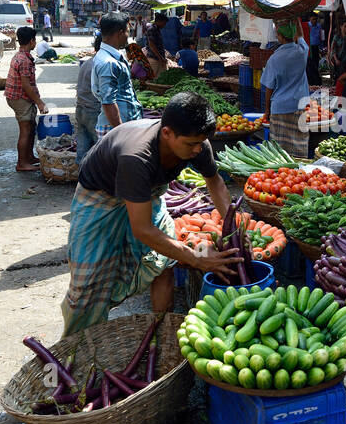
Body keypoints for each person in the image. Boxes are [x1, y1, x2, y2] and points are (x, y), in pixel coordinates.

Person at [62, 94, 242, 331]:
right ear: (166, 133)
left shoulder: (197, 144)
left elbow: (215, 183)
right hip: (101, 195)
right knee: (88, 283)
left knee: (162, 263)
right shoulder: (136, 157)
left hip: (148, 192)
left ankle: (159, 331)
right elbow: (143, 230)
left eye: (201, 142)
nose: (197, 149)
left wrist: (236, 228)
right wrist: (196, 258)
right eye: (190, 144)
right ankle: (78, 348)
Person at [261, 20, 311, 159]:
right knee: (299, 143)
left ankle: (280, 174)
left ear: (281, 37)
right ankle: (299, 172)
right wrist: (296, 18)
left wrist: (267, 110)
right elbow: (300, 35)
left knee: (280, 148)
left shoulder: (274, 58)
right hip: (299, 105)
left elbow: (268, 88)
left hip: (280, 107)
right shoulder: (302, 51)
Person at [5, 26, 48, 172]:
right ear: (31, 41)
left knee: (31, 127)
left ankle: (29, 157)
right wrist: (40, 103)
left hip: (17, 96)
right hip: (20, 98)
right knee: (25, 129)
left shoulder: (20, 56)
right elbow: (27, 86)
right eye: (35, 40)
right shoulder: (24, 60)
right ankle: (21, 163)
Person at [93, 12, 141, 138]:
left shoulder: (112, 57)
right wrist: (121, 132)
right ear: (120, 33)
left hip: (121, 126)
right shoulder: (108, 63)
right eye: (128, 32)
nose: (128, 36)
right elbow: (108, 102)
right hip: (115, 129)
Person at [74, 35, 102, 164]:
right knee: (100, 148)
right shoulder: (101, 65)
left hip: (81, 109)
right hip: (93, 111)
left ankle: (82, 178)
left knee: (83, 148)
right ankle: (95, 179)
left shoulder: (87, 63)